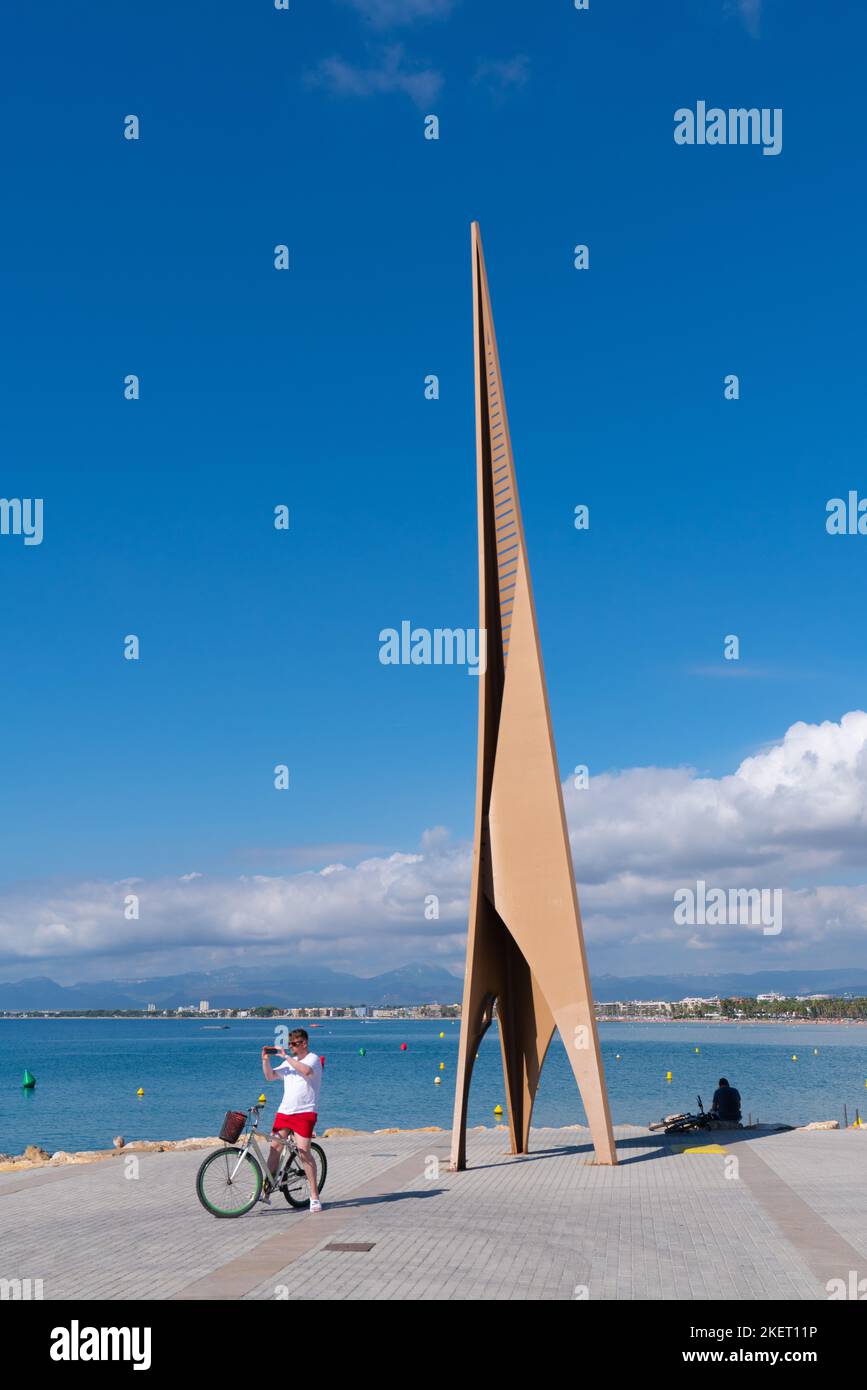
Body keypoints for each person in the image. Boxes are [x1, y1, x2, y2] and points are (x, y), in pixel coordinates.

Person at [261, 1030, 323, 1212]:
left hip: (305, 1112)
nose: (292, 1047)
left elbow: (306, 1071)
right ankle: (266, 1192)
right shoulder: (288, 1062)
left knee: (304, 1151)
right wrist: (265, 1060)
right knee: (274, 1149)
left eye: (295, 1044)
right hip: (285, 1112)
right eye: (290, 1044)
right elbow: (270, 1076)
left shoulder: (313, 1058)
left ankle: (314, 1196)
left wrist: (286, 1056)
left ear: (304, 1043)